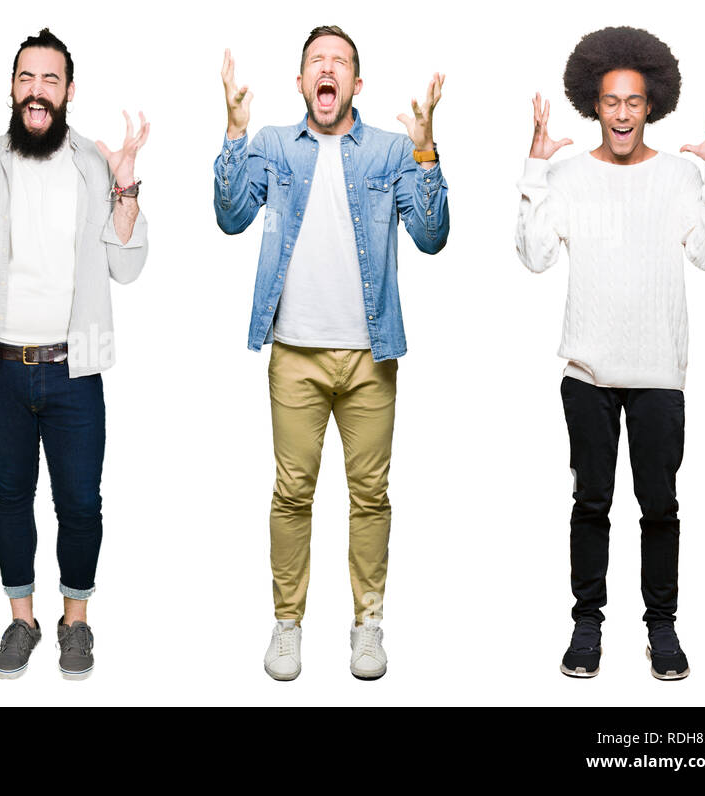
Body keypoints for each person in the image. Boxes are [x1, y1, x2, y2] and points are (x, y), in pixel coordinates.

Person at [214, 26, 449, 681]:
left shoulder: (393, 150)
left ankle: (367, 626)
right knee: (293, 494)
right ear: (300, 83)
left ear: (356, 84)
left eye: (339, 62)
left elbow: (431, 237)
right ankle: (287, 626)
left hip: (372, 357)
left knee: (370, 496)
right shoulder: (269, 147)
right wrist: (233, 134)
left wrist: (427, 151)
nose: (327, 69)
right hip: (294, 355)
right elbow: (231, 216)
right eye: (316, 61)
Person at [0, 28, 149, 680]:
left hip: (74, 365)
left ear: (68, 92)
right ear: (13, 87)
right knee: (10, 494)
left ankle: (75, 623)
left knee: (81, 502)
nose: (37, 91)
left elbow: (129, 264)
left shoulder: (94, 164)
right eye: (27, 78)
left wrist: (128, 184)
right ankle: (21, 619)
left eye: (50, 80)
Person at [515, 26, 705, 681]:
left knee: (660, 507)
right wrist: (533, 169)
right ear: (594, 104)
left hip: (659, 373)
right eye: (610, 101)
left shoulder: (679, 177)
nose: (620, 113)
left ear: (650, 106)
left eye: (633, 102)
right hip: (587, 373)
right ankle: (587, 625)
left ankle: (661, 629)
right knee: (591, 504)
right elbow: (534, 257)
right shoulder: (569, 176)